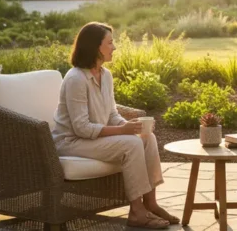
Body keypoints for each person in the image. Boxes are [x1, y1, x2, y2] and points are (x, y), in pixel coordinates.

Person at [52, 22, 178, 229]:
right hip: (71, 142)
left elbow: (111, 114)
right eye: (110, 42)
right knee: (131, 144)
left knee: (147, 138)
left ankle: (150, 203)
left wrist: (130, 125)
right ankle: (137, 212)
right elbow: (81, 128)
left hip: (91, 139)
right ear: (95, 47)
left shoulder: (106, 75)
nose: (115, 47)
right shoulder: (76, 78)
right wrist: (122, 131)